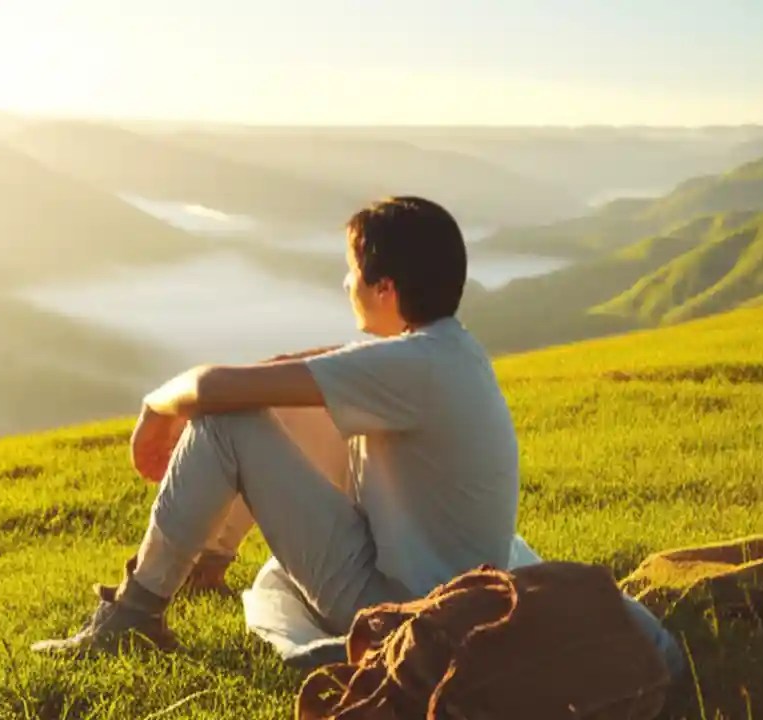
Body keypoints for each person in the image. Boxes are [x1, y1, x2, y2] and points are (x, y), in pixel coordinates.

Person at [32, 196, 520, 655]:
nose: (346, 284)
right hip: (444, 598)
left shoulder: (412, 366)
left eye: (351, 272)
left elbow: (211, 392)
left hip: (399, 611)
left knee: (227, 425)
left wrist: (155, 408)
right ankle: (208, 564)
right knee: (286, 404)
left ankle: (131, 618)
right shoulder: (446, 352)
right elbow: (282, 374)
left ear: (384, 288)